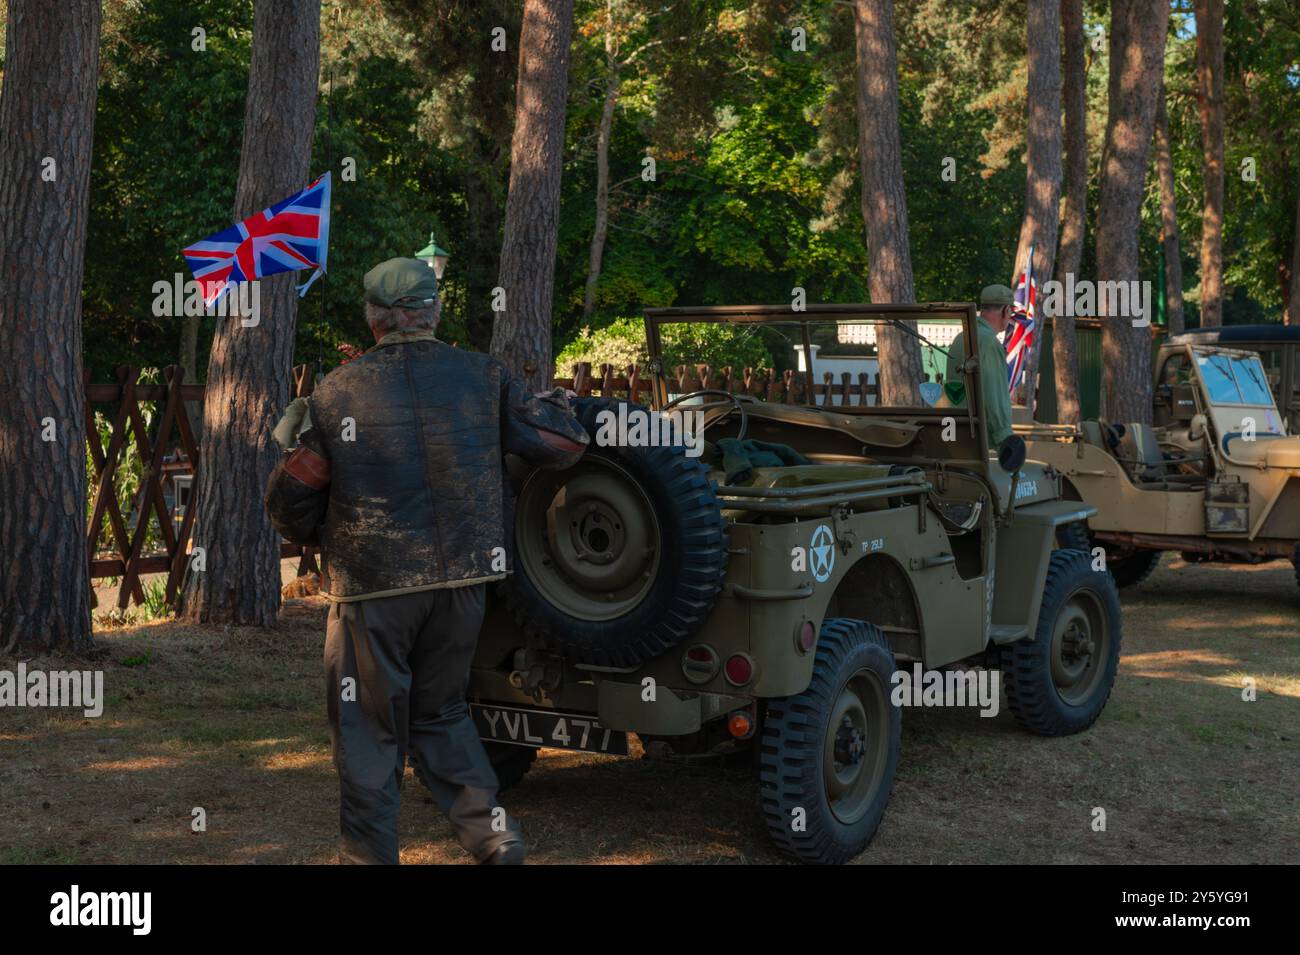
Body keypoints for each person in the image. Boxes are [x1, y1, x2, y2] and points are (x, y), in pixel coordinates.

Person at [264, 257, 589, 865]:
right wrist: (559, 408)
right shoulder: (482, 376)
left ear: (373, 318)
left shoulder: (336, 390)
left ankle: (368, 858)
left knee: (367, 727)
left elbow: (292, 497)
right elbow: (561, 446)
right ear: (433, 311)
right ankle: (495, 837)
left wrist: (318, 537)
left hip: (372, 588)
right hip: (465, 582)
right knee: (441, 712)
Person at [944, 284, 1016, 451]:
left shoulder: (961, 338)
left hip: (958, 437)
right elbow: (994, 396)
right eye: (1010, 311)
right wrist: (1005, 440)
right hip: (985, 445)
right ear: (1005, 310)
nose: (1011, 316)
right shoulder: (990, 343)